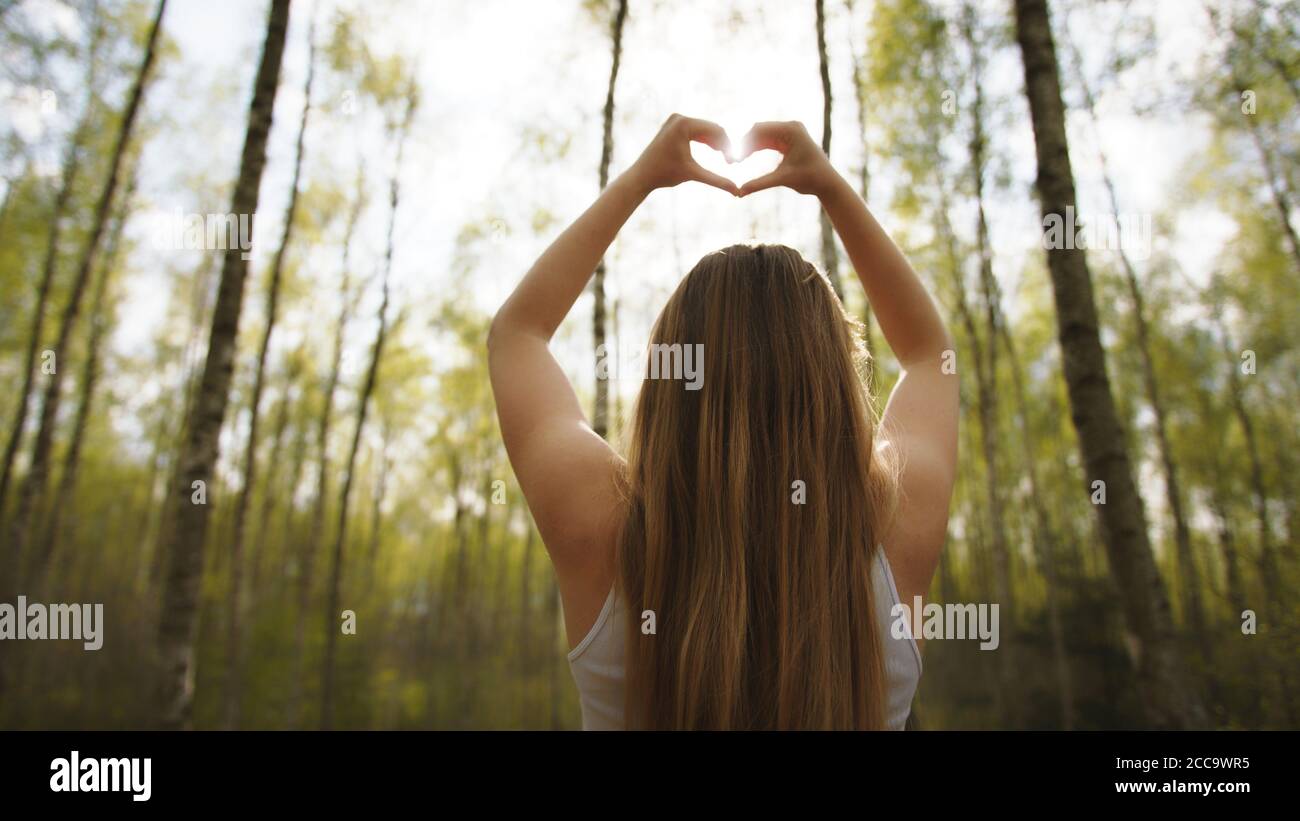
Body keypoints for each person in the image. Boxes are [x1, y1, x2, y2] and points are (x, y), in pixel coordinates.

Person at [488, 114, 957, 729]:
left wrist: (641, 180)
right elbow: (929, 353)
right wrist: (831, 189)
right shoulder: (899, 529)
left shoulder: (598, 530)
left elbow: (517, 337)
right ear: (836, 386)